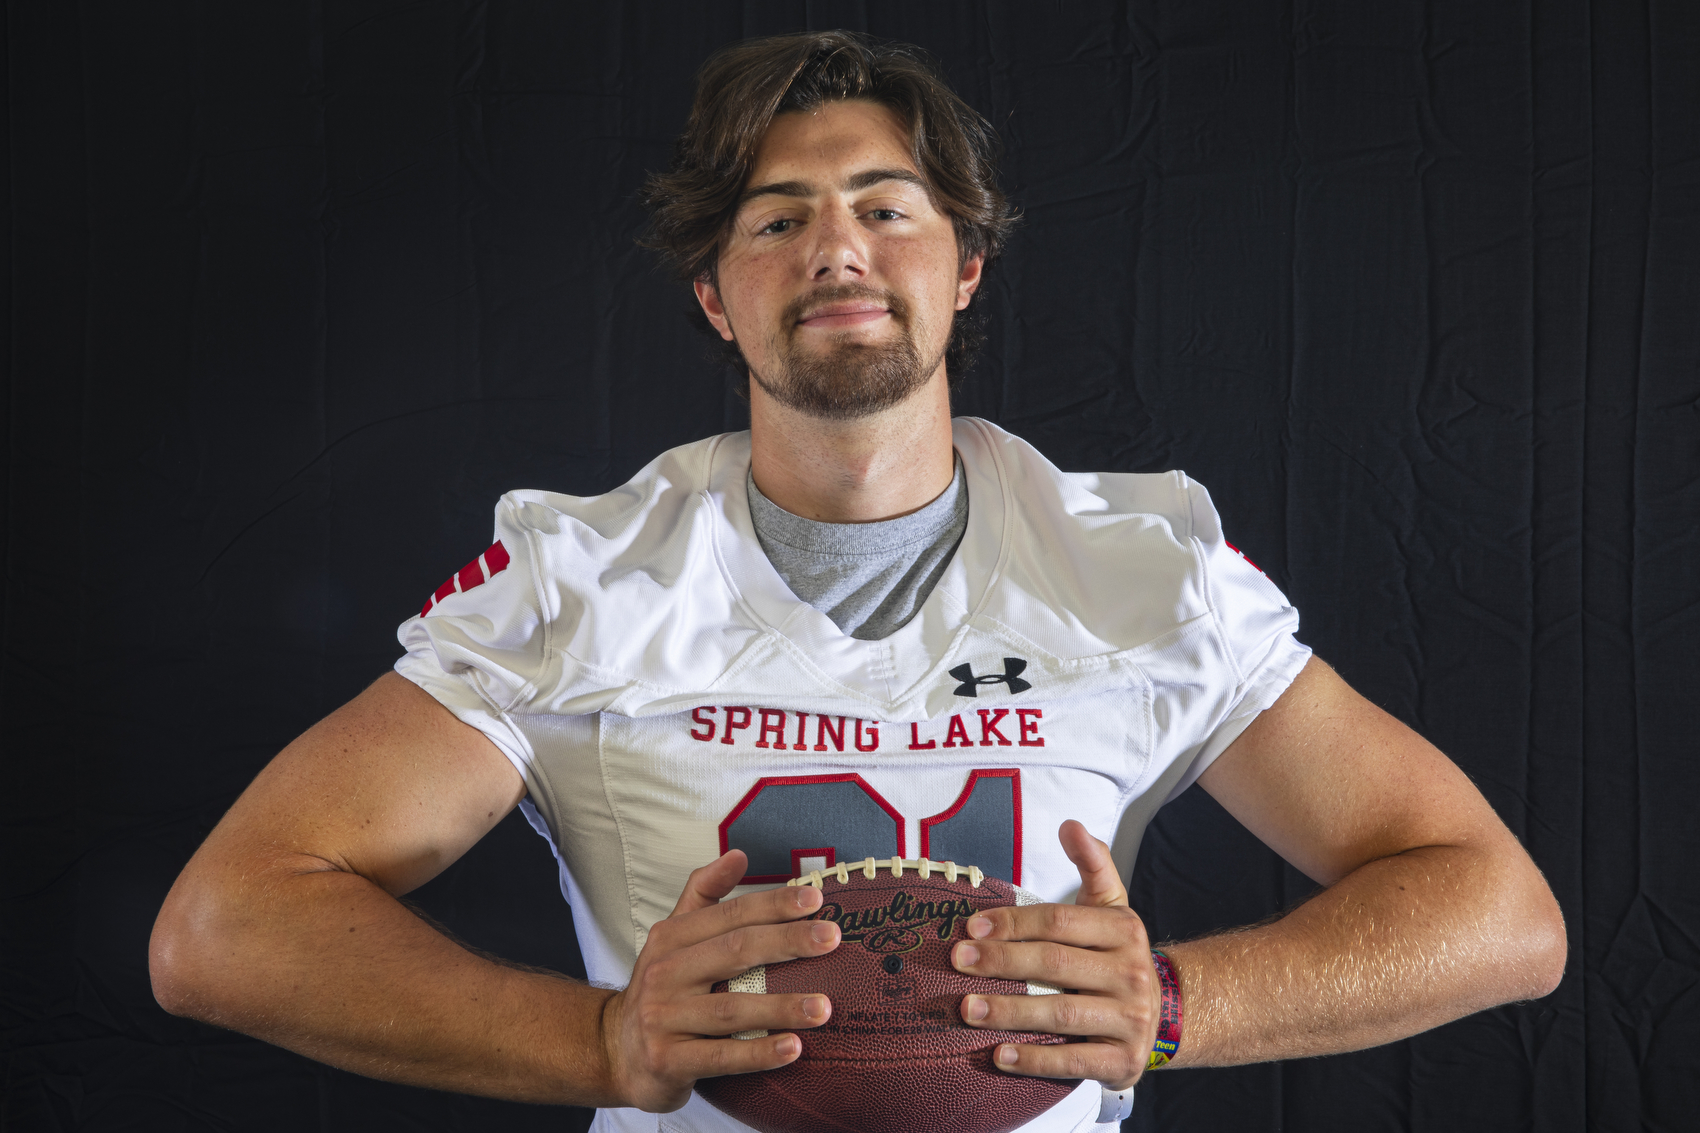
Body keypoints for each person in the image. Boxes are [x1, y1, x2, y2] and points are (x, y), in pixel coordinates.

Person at [149, 31, 1566, 1133]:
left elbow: (1501, 912)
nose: (836, 247)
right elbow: (224, 925)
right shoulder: (586, 583)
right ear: (716, 296)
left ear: (967, 269)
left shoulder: (1134, 571)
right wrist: (594, 1040)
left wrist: (1180, 999)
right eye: (774, 220)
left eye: (886, 208)